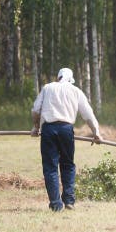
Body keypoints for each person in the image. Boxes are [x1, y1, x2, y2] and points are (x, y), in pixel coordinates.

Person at [31, 68, 102, 211]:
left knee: (50, 167)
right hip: (66, 130)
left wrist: (36, 127)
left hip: (48, 130)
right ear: (71, 80)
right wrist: (96, 133)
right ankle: (69, 201)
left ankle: (56, 204)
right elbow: (88, 114)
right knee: (68, 165)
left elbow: (35, 110)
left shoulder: (48, 88)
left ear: (58, 78)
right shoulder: (76, 91)